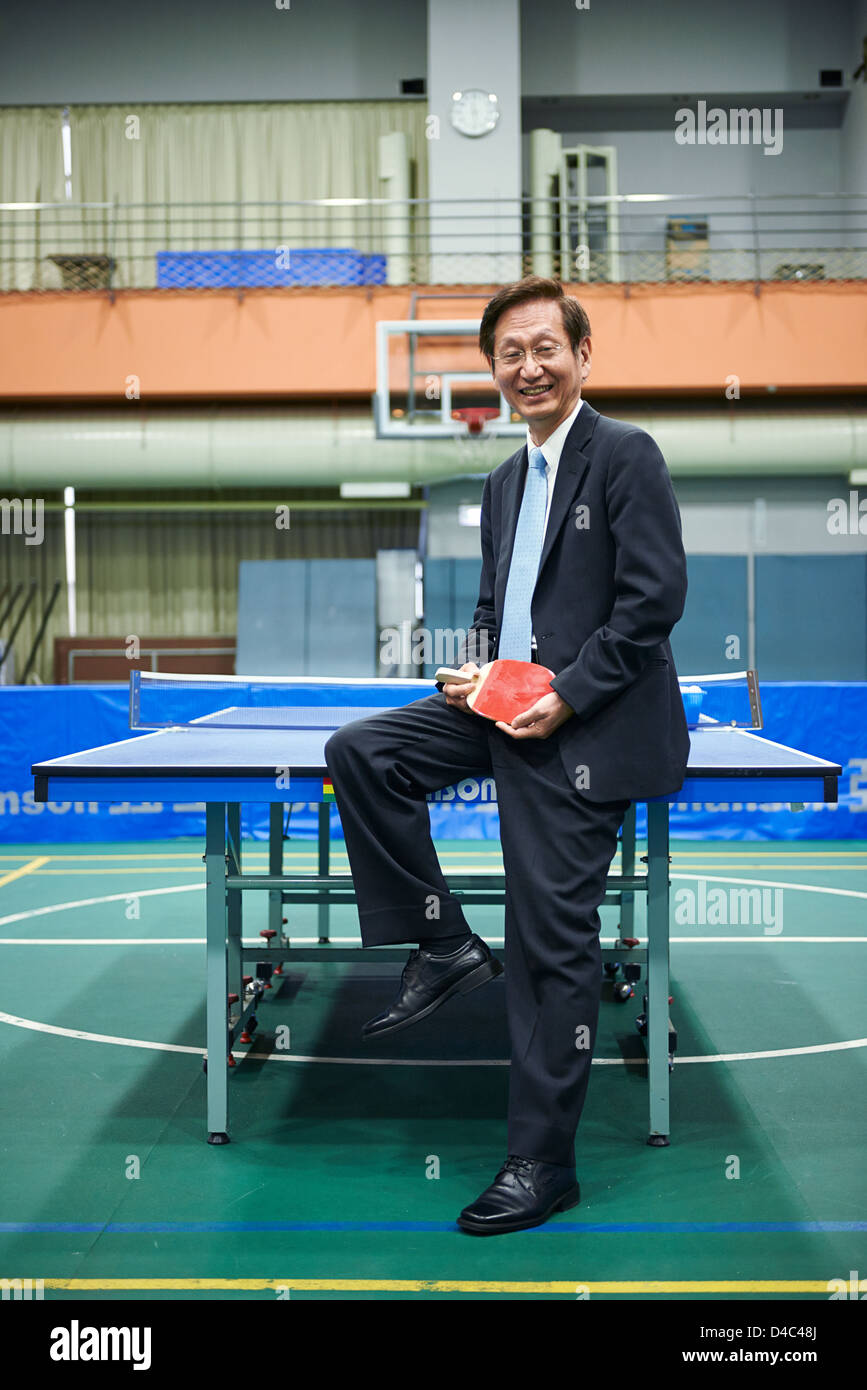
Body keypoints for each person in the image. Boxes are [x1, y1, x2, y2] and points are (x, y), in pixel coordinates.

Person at [325, 275, 689, 1235]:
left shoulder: (624, 455)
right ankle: (442, 939)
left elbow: (650, 605)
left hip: (589, 722)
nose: (528, 367)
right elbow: (500, 605)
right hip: (509, 705)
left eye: (545, 348)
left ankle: (542, 1163)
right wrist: (484, 670)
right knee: (362, 751)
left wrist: (565, 694)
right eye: (509, 354)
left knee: (546, 944)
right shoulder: (501, 482)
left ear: (581, 356)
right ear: (492, 369)